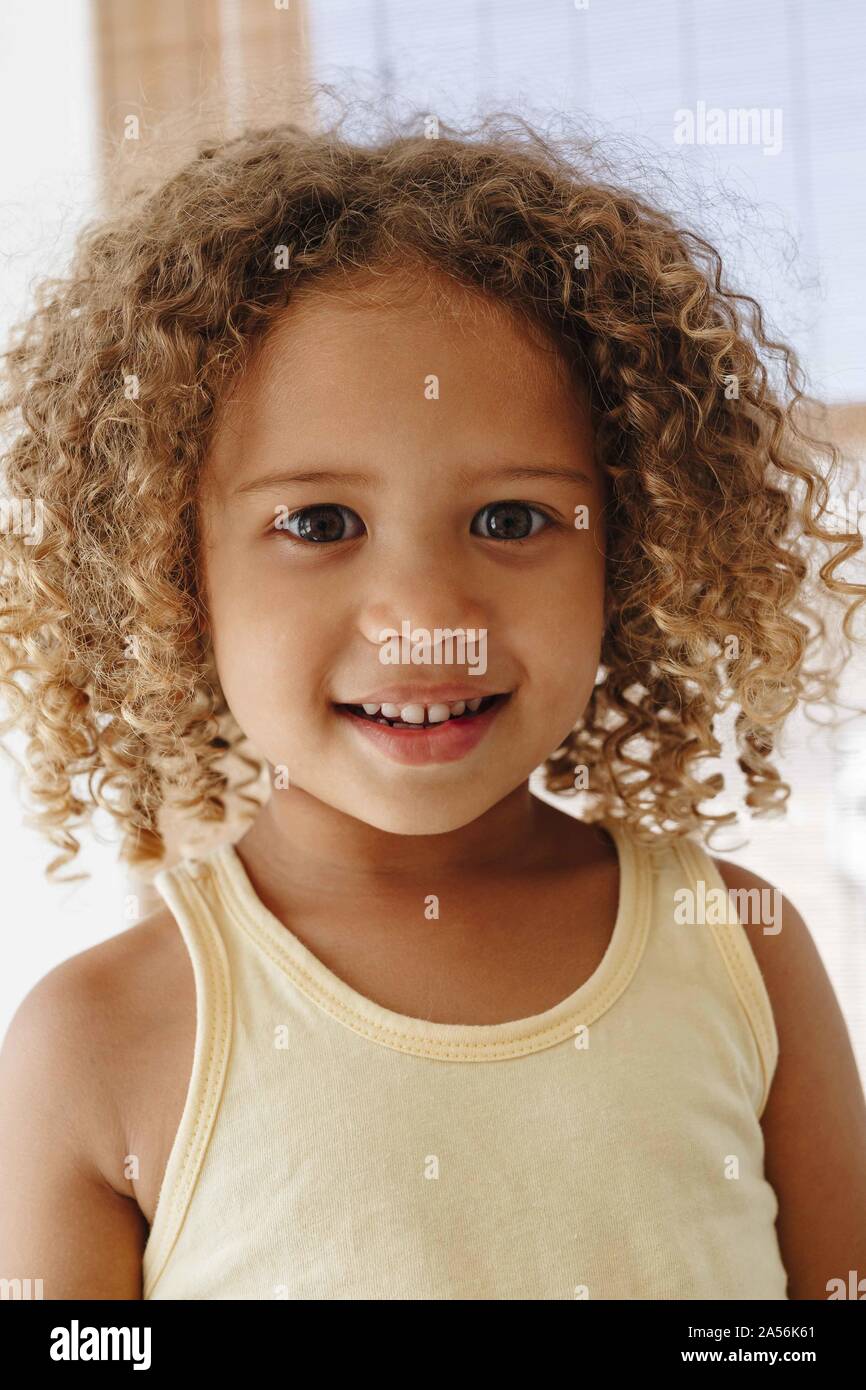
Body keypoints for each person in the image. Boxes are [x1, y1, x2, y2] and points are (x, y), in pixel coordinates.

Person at [1, 111, 864, 1301]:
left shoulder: (738, 951)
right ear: (173, 577)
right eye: (317, 524)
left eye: (510, 520)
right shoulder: (98, 1038)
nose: (421, 619)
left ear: (628, 554)